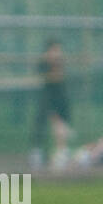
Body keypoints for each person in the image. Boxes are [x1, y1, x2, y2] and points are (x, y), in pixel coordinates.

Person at [34, 40, 73, 169]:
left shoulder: (61, 64)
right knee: (47, 124)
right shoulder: (43, 63)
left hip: (60, 99)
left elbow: (60, 77)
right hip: (49, 99)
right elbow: (41, 71)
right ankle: (38, 153)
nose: (56, 54)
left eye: (58, 51)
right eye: (54, 51)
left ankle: (62, 153)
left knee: (60, 126)